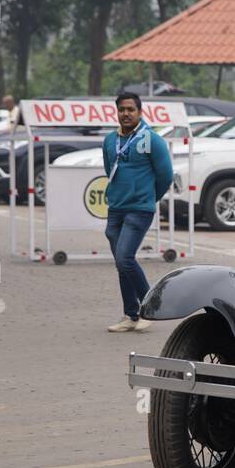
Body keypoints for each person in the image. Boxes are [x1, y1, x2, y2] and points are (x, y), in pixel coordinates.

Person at [103, 92, 173, 332]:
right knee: (122, 264)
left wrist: (149, 198)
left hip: (139, 209)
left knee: (125, 258)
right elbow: (108, 169)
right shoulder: (110, 140)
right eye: (122, 109)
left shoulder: (152, 139)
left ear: (140, 112)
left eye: (130, 109)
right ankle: (130, 315)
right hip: (116, 209)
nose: (126, 113)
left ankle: (151, 307)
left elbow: (165, 176)